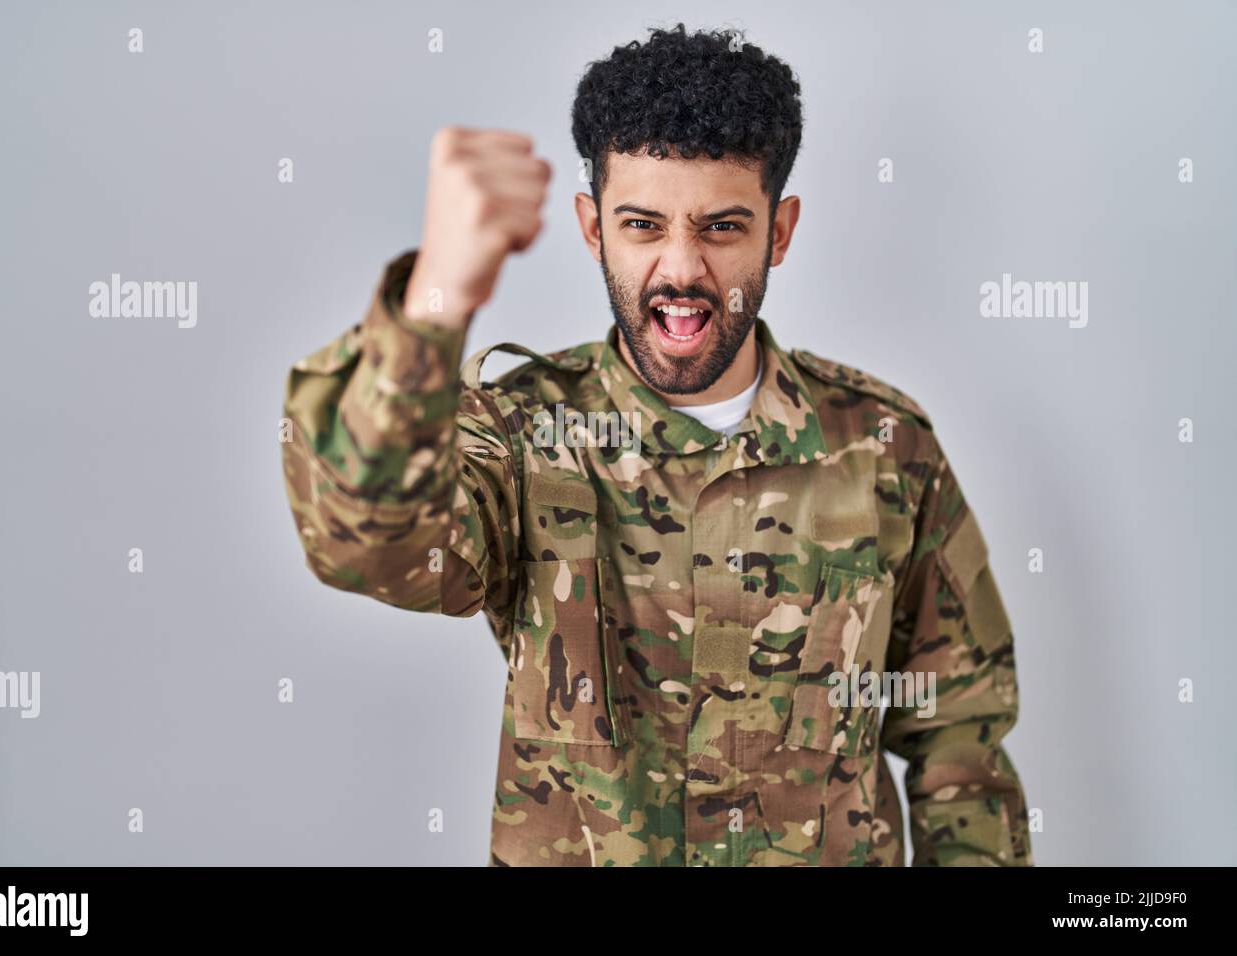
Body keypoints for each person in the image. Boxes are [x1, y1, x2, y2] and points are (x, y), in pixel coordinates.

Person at [280, 23, 1033, 867]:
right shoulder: (524, 434)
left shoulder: (885, 447)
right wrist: (434, 302)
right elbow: (365, 546)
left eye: (721, 228)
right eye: (642, 224)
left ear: (778, 234)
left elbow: (962, 747)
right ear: (592, 226)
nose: (680, 269)